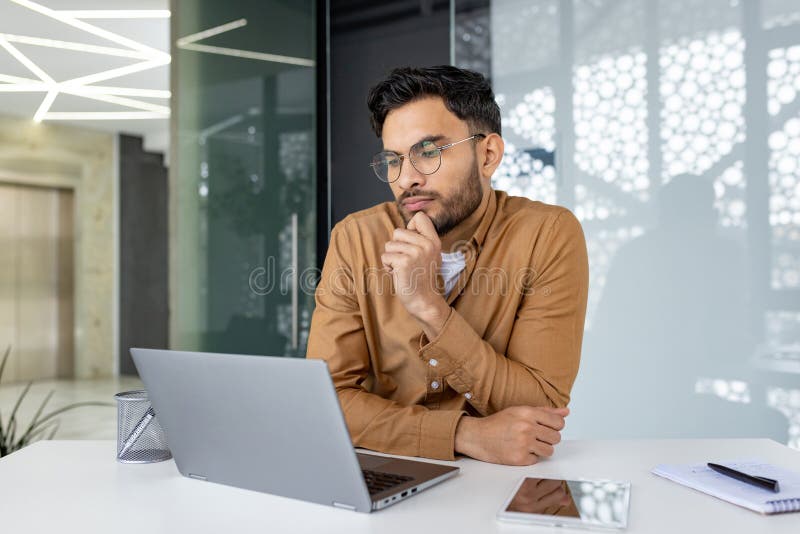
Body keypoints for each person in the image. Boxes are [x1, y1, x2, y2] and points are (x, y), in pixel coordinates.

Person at [306, 65, 589, 465]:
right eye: (393, 160)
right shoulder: (356, 239)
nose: (406, 179)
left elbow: (539, 405)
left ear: (488, 154)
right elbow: (326, 400)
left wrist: (429, 309)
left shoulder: (547, 234)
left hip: (500, 483)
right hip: (383, 472)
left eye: (428, 153)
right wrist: (463, 434)